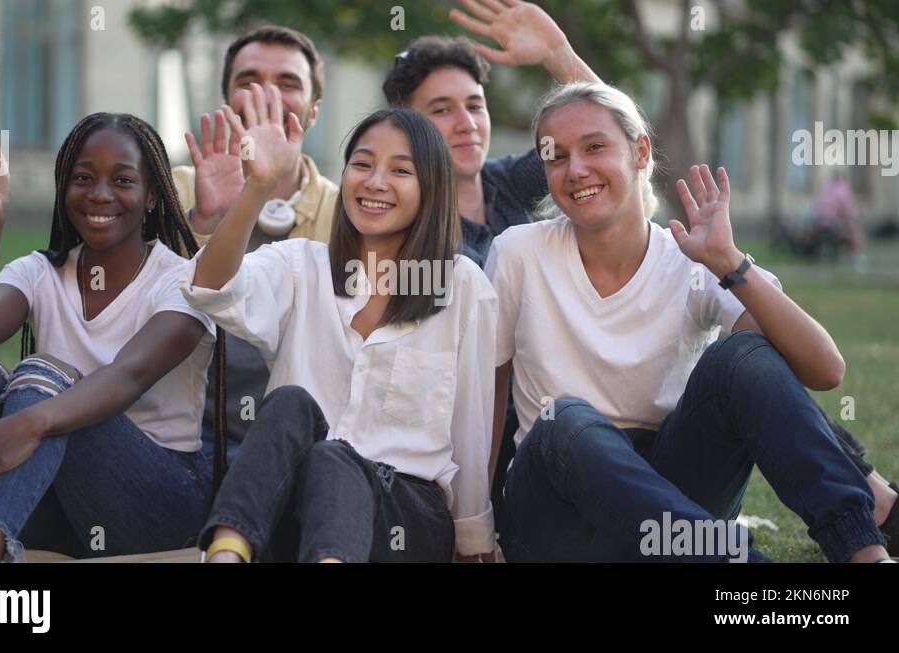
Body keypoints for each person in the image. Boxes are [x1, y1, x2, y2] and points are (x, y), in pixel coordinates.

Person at [486, 81, 892, 562]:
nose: (576, 169)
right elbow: (486, 395)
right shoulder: (518, 253)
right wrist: (473, 529)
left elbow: (826, 370)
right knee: (564, 419)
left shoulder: (692, 261)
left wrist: (728, 261)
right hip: (561, 521)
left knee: (743, 356)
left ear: (639, 153)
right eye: (556, 156)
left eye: (595, 147)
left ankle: (865, 553)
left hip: (674, 506)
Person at [180, 84, 496, 562]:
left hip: (403, 519)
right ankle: (226, 555)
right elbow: (211, 287)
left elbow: (472, 426)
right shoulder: (300, 266)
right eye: (363, 164)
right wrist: (257, 189)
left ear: (431, 188)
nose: (374, 182)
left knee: (334, 455)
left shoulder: (460, 284)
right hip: (298, 515)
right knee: (290, 405)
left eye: (400, 171)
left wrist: (474, 543)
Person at [0, 110, 216, 563]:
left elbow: (128, 376)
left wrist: (30, 421)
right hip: (56, 502)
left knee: (43, 373)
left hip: (157, 508)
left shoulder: (183, 282)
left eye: (123, 181)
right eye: (83, 178)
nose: (100, 194)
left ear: (151, 196)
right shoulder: (40, 272)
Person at [384, 0, 602, 513]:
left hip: (560, 420)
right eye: (441, 110)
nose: (466, 123)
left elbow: (607, 133)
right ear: (403, 129)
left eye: (475, 105)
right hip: (454, 445)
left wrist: (556, 53)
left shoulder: (516, 183)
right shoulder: (397, 227)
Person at [174, 25, 339, 469]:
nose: (268, 95)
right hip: (185, 438)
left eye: (287, 83)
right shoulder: (173, 191)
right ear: (227, 101)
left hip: (298, 446)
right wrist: (205, 223)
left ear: (314, 111)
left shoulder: (349, 212)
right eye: (249, 81)